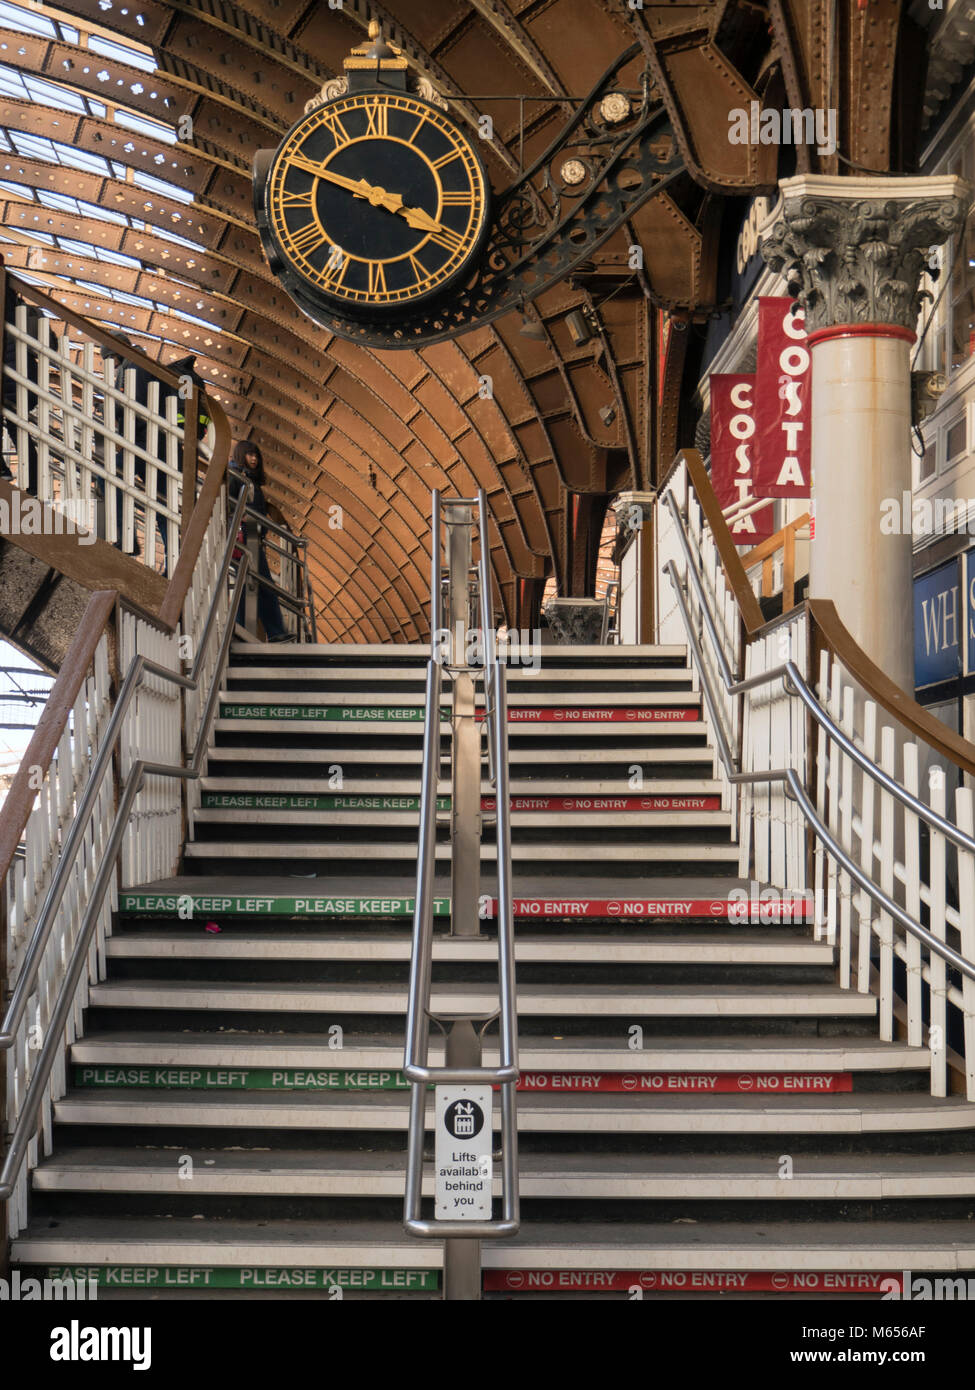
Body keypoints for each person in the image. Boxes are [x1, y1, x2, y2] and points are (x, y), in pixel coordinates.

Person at [229, 439, 290, 641]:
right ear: (240, 455)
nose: (254, 458)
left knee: (247, 586)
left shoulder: (249, 479)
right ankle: (275, 631)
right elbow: (227, 504)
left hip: (253, 536)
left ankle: (240, 632)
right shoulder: (235, 475)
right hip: (246, 536)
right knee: (264, 585)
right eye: (249, 454)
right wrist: (241, 518)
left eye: (256, 455)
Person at [1, 259, 41, 492]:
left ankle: (3, 470)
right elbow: (50, 343)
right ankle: (34, 485)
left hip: (8, 374)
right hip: (23, 380)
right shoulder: (23, 307)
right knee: (19, 430)